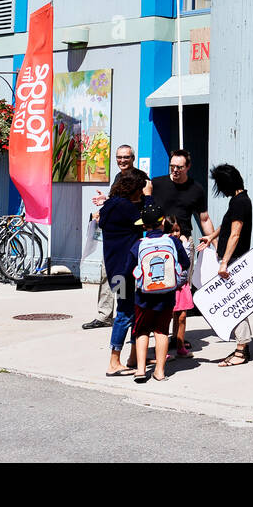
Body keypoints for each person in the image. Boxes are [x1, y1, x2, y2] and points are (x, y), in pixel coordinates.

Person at [151, 150, 212, 348]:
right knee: (160, 289)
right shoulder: (157, 183)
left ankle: (177, 337)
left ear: (187, 167)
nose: (175, 170)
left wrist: (213, 242)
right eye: (172, 167)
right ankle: (160, 332)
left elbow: (204, 218)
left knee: (181, 291)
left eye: (179, 167)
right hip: (160, 245)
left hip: (184, 244)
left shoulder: (196, 189)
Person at [85, 145, 149, 329]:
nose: (122, 160)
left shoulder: (141, 178)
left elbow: (142, 208)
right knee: (109, 275)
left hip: (130, 240)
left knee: (129, 280)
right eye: (119, 157)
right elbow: (116, 204)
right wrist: (105, 204)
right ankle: (106, 315)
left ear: (133, 158)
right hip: (114, 242)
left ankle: (132, 315)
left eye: (126, 157)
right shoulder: (118, 178)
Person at [131, 204, 190, 383]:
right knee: (161, 331)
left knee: (141, 331)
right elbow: (185, 263)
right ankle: (160, 372)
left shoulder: (139, 244)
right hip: (167, 295)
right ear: (163, 222)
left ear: (144, 226)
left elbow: (128, 268)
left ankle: (141, 370)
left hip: (144, 296)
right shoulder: (172, 241)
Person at [203, 163, 253, 366]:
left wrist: (224, 262)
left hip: (233, 260)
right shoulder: (237, 200)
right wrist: (211, 237)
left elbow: (235, 232)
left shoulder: (240, 202)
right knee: (234, 303)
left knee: (235, 305)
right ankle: (243, 347)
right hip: (230, 259)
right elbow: (227, 224)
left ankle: (241, 350)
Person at [97, 174, 148, 376]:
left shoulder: (109, 206)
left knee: (129, 310)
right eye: (140, 190)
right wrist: (150, 198)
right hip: (127, 270)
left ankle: (133, 357)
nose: (141, 194)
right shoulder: (126, 207)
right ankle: (114, 361)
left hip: (114, 271)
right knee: (126, 312)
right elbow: (147, 223)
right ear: (133, 190)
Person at [163, 215, 197, 357]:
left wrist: (185, 244)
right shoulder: (165, 243)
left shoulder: (182, 243)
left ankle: (180, 346)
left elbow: (187, 260)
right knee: (166, 318)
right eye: (172, 231)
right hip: (169, 287)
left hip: (182, 285)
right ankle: (163, 350)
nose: (176, 234)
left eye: (177, 230)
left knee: (182, 316)